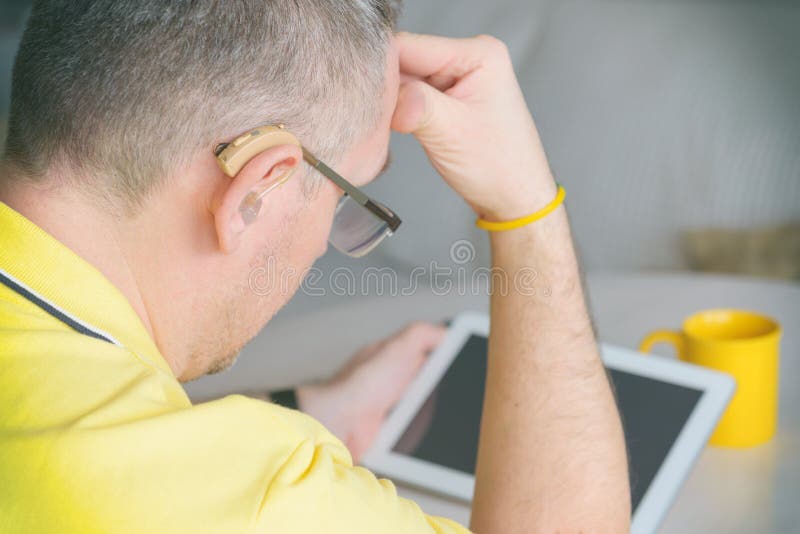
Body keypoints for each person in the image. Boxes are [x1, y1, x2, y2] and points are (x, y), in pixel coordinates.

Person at [0, 1, 630, 532]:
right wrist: (526, 206)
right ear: (258, 188)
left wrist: (306, 407)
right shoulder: (256, 502)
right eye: (344, 198)